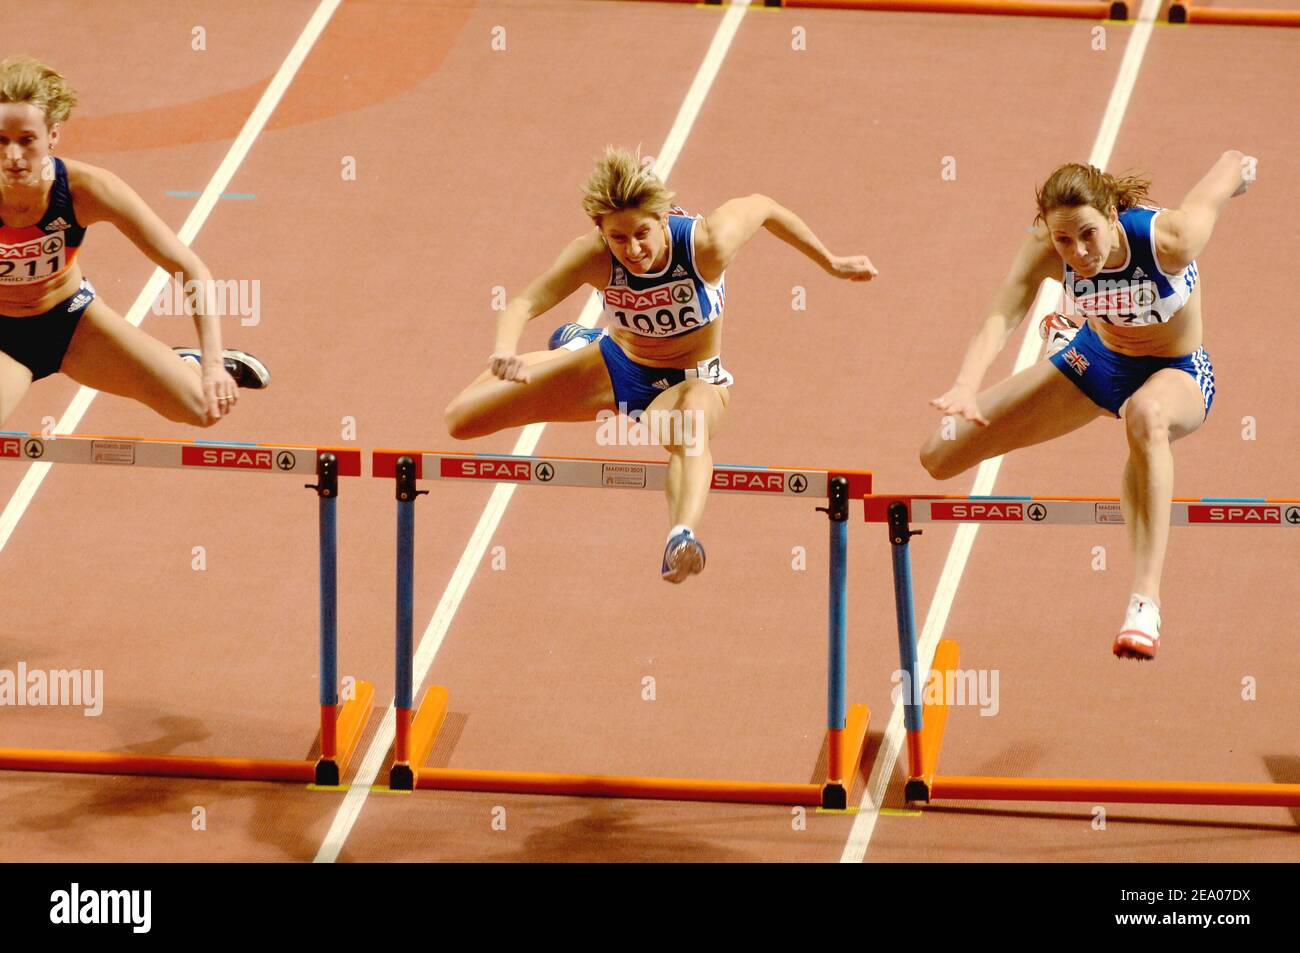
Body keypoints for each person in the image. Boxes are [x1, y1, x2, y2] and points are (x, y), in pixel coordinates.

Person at [445, 145, 877, 582]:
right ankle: (575, 349)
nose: (632, 249)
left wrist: (832, 263)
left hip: (689, 382)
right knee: (462, 420)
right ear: (600, 233)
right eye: (618, 238)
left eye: (642, 233)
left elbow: (764, 207)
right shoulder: (591, 256)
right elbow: (523, 301)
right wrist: (504, 349)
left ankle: (681, 536)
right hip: (618, 366)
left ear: (664, 218)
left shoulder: (706, 243)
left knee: (690, 426)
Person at [921, 151, 1255, 660]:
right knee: (938, 456)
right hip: (1097, 362)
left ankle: (1145, 603)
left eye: (1087, 234)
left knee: (1146, 415)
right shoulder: (1048, 250)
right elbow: (1001, 313)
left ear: (1112, 217)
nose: (1077, 252)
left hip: (1178, 374)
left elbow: (1226, 167)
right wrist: (966, 384)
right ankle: (1072, 333)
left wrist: (1239, 172)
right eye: (1063, 240)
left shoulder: (1169, 239)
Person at [0, 56, 268, 430]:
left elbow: (189, 268)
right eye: (2, 141)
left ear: (53, 136)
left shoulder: (87, 189)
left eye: (27, 141)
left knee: (202, 410)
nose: (13, 157)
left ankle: (188, 364)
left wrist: (210, 365)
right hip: (4, 343)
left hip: (70, 324)